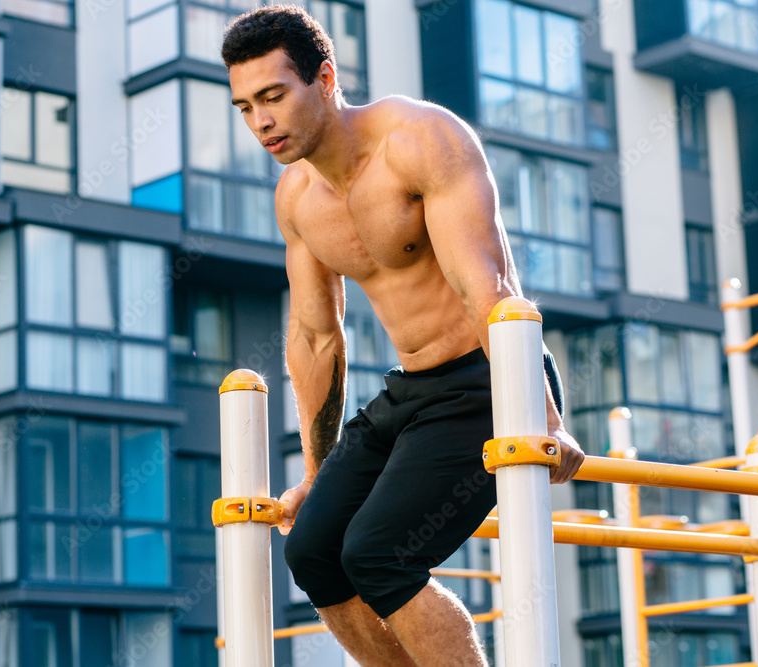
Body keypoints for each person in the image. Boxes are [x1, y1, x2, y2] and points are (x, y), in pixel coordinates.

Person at [222, 6, 585, 666]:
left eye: (273, 96)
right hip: (413, 392)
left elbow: (490, 289)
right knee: (312, 551)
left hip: (487, 378)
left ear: (324, 78)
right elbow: (315, 336)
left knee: (378, 551)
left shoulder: (421, 140)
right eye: (246, 106)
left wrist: (545, 418)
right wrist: (316, 470)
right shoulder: (297, 196)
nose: (261, 122)